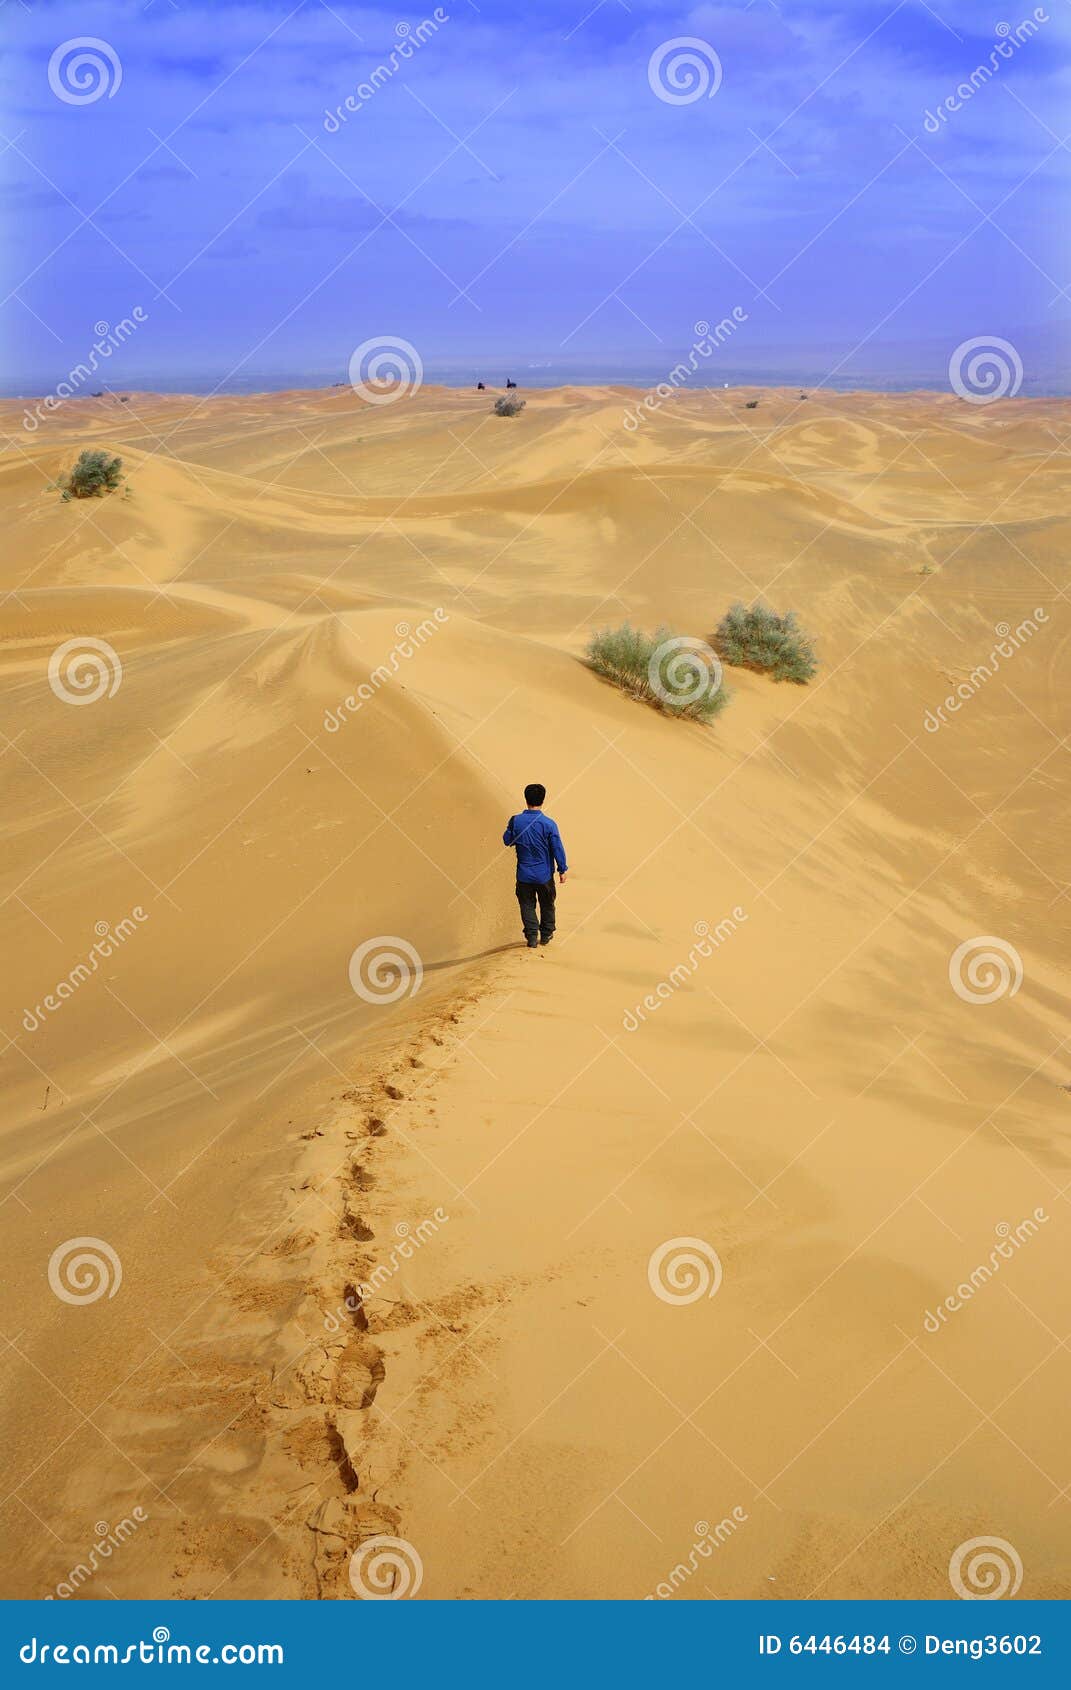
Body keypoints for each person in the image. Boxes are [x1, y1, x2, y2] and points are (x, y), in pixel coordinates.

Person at [503, 783, 568, 949]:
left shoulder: (516, 821)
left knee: (527, 905)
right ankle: (546, 935)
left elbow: (507, 841)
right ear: (543, 800)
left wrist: (511, 827)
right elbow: (557, 848)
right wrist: (562, 869)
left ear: (526, 799)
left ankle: (532, 936)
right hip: (544, 875)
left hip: (524, 875)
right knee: (547, 904)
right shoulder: (549, 824)